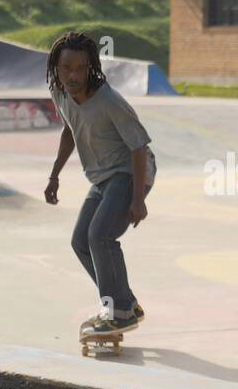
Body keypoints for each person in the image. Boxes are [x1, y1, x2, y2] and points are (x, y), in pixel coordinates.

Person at [43, 31, 157, 340]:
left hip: (131, 172)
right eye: (67, 68)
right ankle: (126, 302)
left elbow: (138, 147)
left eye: (80, 68)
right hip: (102, 178)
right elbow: (70, 128)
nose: (74, 75)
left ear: (91, 66)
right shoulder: (60, 92)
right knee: (81, 241)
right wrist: (55, 175)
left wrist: (138, 200)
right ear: (57, 68)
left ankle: (118, 312)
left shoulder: (108, 101)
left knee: (100, 235)